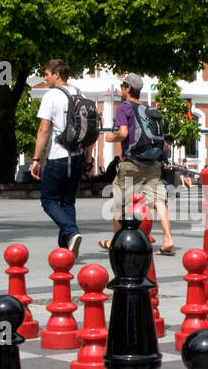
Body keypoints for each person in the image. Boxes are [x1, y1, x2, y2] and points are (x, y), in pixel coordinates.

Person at [101, 73, 176, 255]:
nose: (121, 89)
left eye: (123, 86)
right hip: (151, 163)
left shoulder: (124, 108)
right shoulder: (148, 110)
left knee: (120, 202)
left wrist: (111, 137)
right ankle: (168, 239)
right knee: (159, 199)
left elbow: (124, 133)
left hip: (131, 164)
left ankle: (117, 243)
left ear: (128, 88)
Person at [28, 59, 86, 256]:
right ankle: (67, 248)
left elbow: (44, 129)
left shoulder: (51, 96)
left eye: (46, 74)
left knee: (48, 200)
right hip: (77, 156)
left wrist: (36, 159)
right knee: (68, 202)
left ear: (57, 74)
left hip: (59, 156)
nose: (44, 79)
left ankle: (71, 232)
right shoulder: (80, 93)